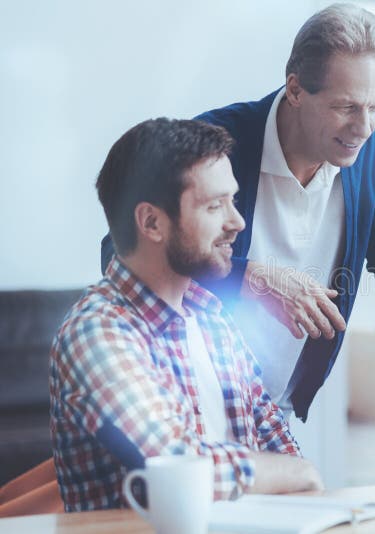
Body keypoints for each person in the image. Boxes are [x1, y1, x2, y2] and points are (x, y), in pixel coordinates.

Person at [100, 3, 375, 423]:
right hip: (182, 399)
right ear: (294, 89)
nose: (363, 127)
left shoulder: (370, 147)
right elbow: (120, 253)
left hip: (273, 408)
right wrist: (252, 277)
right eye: (346, 107)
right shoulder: (213, 147)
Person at [52, 118, 322, 512]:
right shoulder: (95, 332)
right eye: (215, 206)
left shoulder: (212, 316)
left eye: (233, 200)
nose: (237, 222)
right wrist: (295, 474)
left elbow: (275, 440)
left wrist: (300, 482)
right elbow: (175, 465)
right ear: (152, 223)